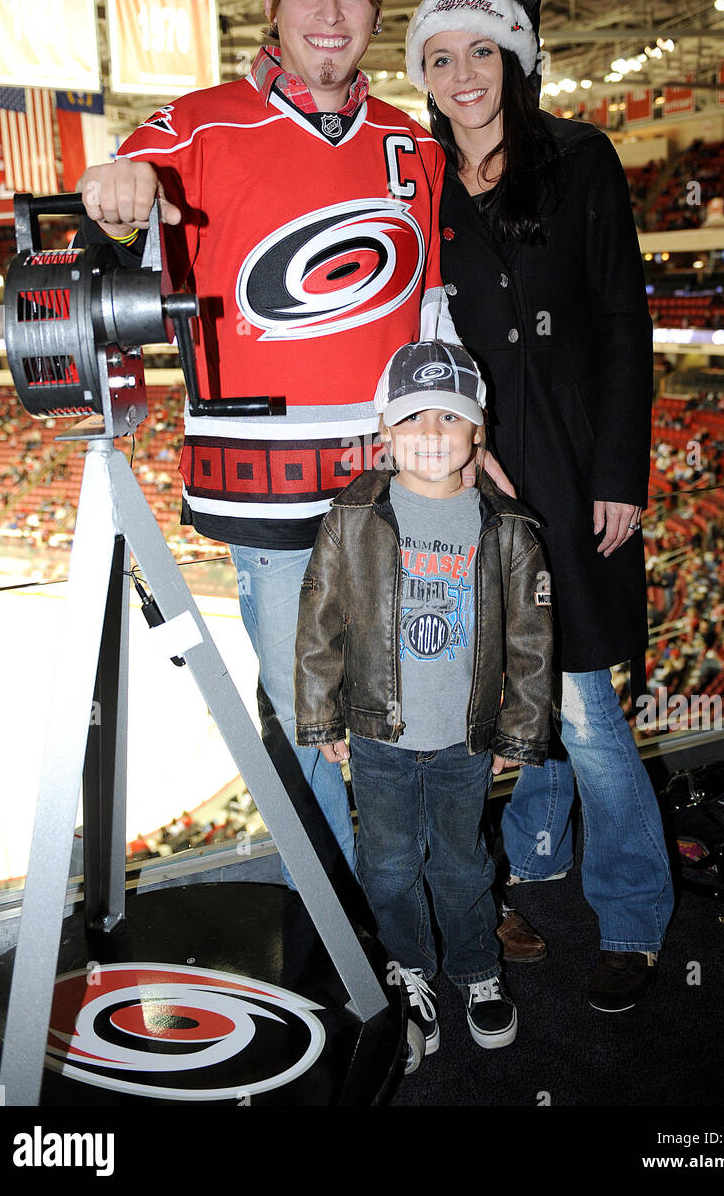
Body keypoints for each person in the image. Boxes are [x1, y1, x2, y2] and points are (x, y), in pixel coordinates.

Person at [76, 0, 461, 891]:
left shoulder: (412, 147)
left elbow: (431, 317)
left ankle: (399, 916)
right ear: (272, 1)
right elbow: (113, 209)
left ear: (376, 8)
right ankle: (342, 938)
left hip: (391, 496)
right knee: (312, 727)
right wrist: (115, 190)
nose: (329, 13)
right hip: (269, 501)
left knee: (397, 714)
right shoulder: (200, 124)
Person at [404, 0, 674, 1011]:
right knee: (500, 691)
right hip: (471, 479)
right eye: (439, 58)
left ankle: (635, 916)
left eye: (480, 53)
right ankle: (538, 848)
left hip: (571, 471)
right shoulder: (421, 180)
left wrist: (617, 474)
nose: (461, 75)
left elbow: (621, 323)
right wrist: (462, 449)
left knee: (585, 703)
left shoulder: (580, 158)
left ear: (514, 59)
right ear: (422, 77)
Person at [294, 340, 553, 1064]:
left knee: (463, 863)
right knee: (386, 863)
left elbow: (532, 641)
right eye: (412, 418)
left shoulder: (508, 530)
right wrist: (321, 714)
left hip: (465, 738)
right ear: (384, 430)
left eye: (450, 416)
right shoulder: (352, 516)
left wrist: (521, 729)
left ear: (479, 429)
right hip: (379, 734)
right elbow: (320, 617)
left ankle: (476, 968)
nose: (431, 434)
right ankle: (408, 969)